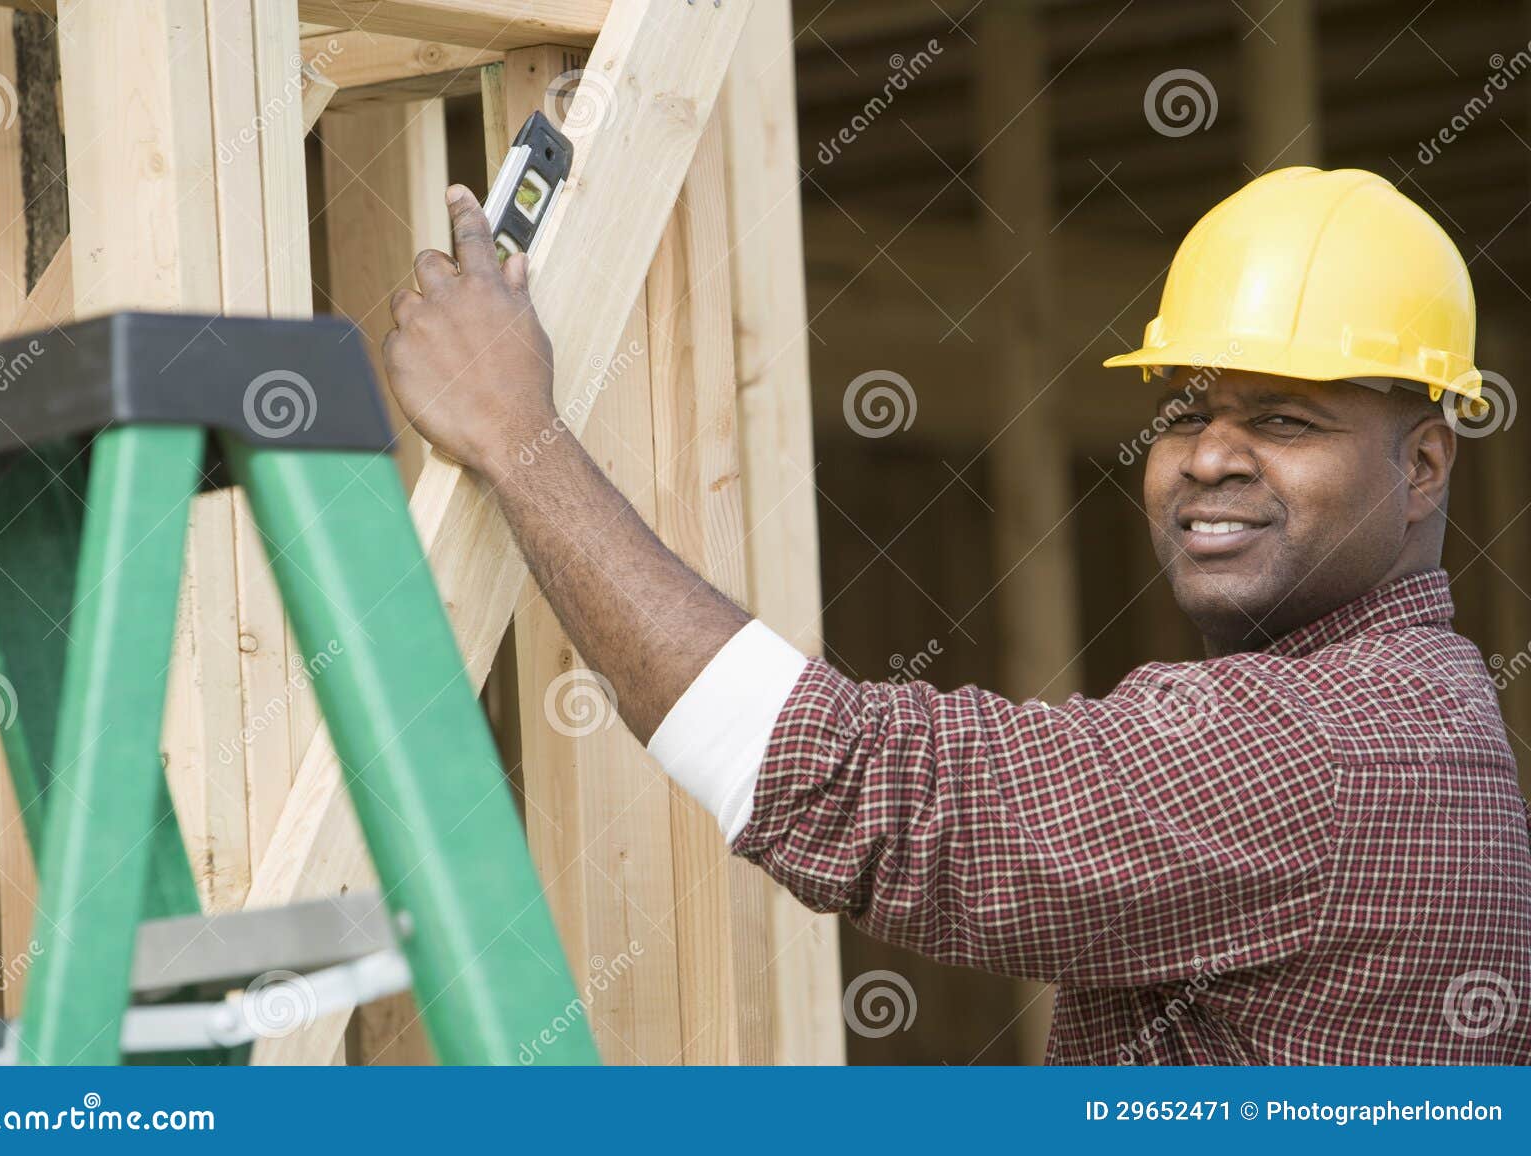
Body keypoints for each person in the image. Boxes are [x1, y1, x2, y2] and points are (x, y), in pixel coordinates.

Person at [381, 165, 1531, 1064]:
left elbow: (845, 780)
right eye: (1187, 410)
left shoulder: (1321, 745)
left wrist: (513, 433)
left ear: (1424, 464)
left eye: (1282, 420)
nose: (1207, 456)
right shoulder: (1415, 713)